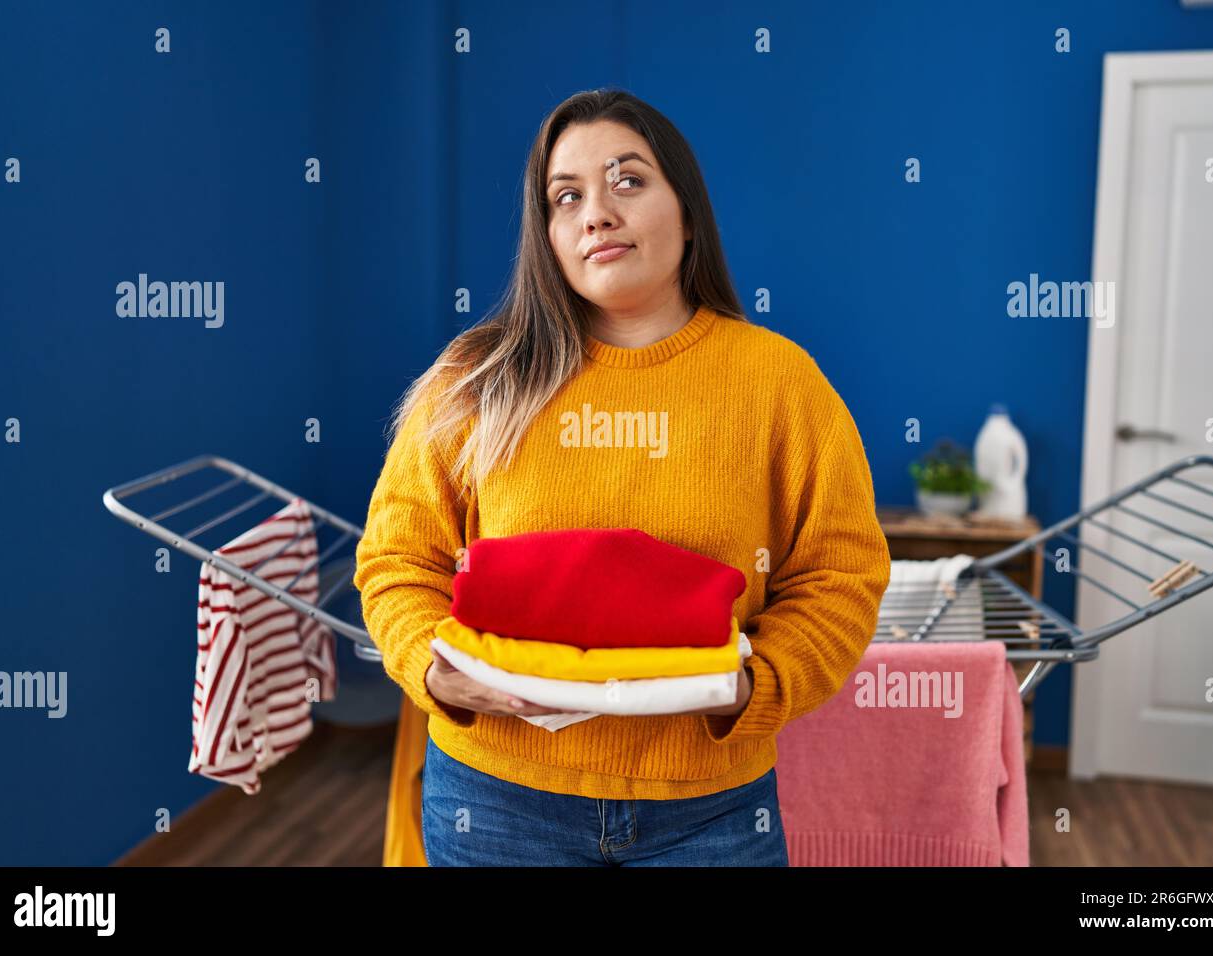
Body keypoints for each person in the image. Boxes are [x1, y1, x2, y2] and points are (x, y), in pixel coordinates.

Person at [354, 87, 892, 866]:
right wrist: (435, 673)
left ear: (687, 206)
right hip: (496, 802)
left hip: (712, 812)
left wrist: (760, 684)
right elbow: (398, 560)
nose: (595, 213)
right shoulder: (475, 379)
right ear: (547, 234)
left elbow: (840, 573)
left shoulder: (782, 385)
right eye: (566, 197)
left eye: (628, 181)